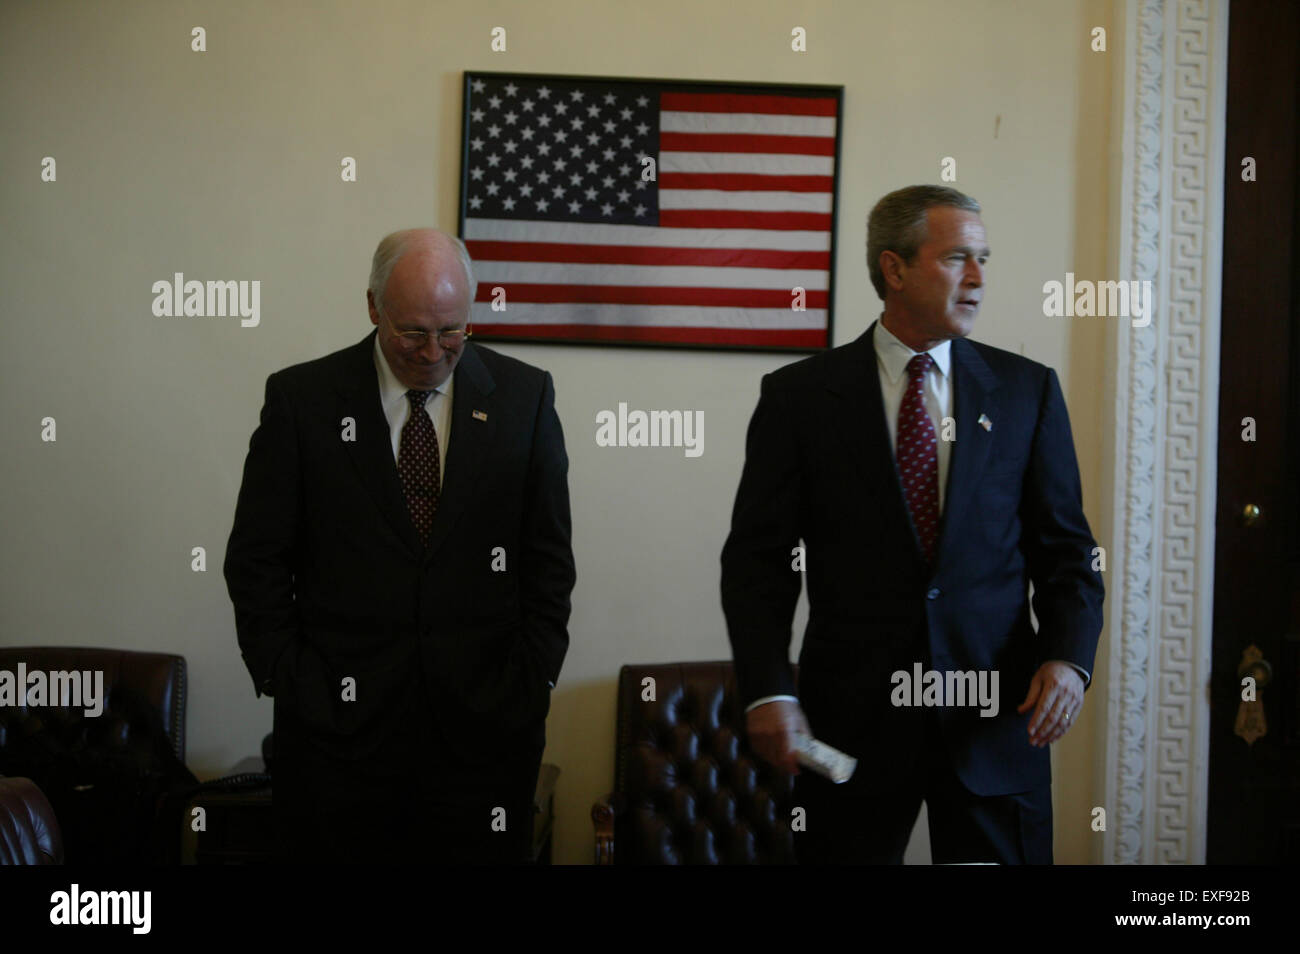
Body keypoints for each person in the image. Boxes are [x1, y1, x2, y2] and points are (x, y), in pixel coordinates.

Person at [720, 185, 1104, 864]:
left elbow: (1069, 554)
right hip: (850, 728)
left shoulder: (1027, 391)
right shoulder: (800, 398)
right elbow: (758, 565)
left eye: (984, 258)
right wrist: (769, 688)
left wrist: (1068, 659)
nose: (980, 279)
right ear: (894, 269)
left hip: (995, 725)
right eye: (959, 258)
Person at [224, 228, 575, 864]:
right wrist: (287, 676)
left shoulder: (526, 398)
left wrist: (534, 675)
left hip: (485, 735)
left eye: (453, 331)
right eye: (413, 332)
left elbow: (548, 559)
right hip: (336, 739)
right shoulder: (302, 401)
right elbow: (256, 558)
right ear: (371, 307)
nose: (435, 351)